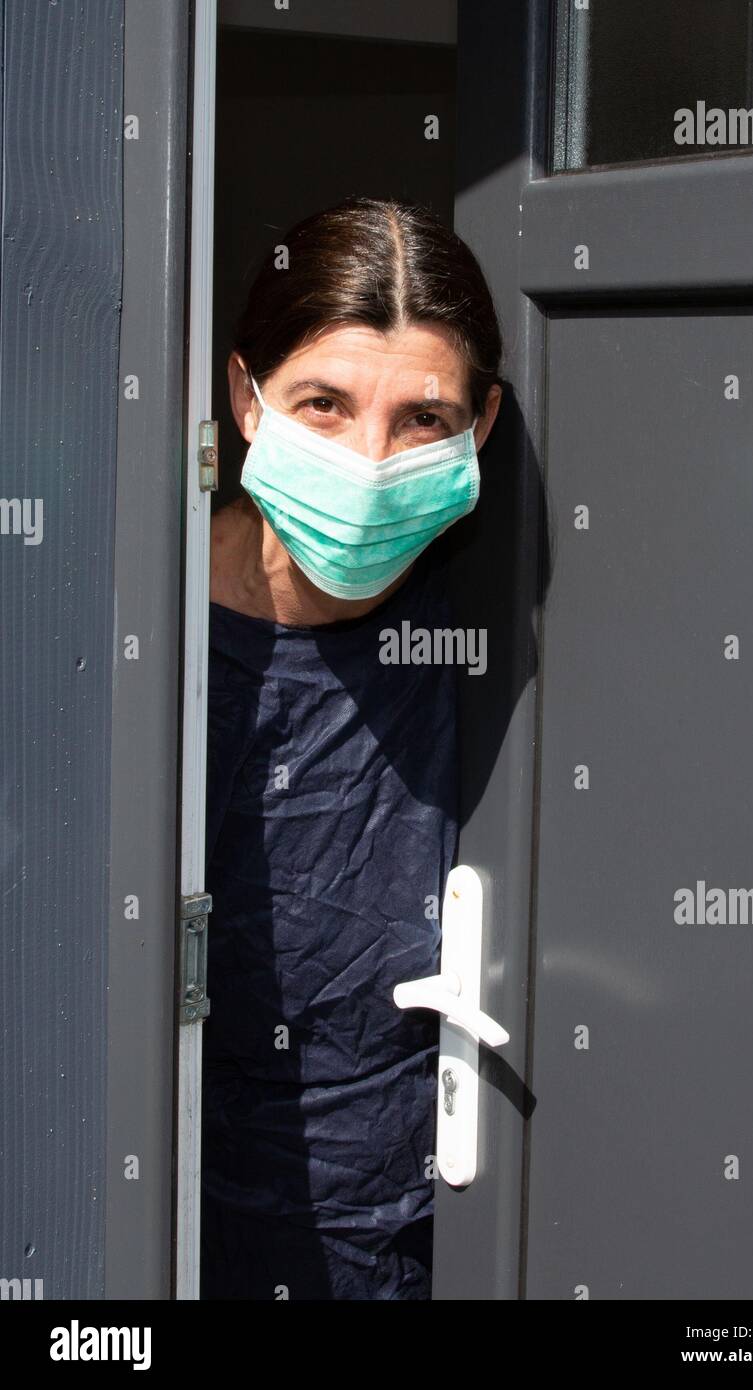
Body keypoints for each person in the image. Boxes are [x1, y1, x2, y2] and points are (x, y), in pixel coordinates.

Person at [200, 196, 503, 1300]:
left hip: (418, 1216)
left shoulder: (486, 624)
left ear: (479, 430)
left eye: (421, 419)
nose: (369, 463)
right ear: (244, 399)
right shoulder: (132, 638)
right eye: (321, 404)